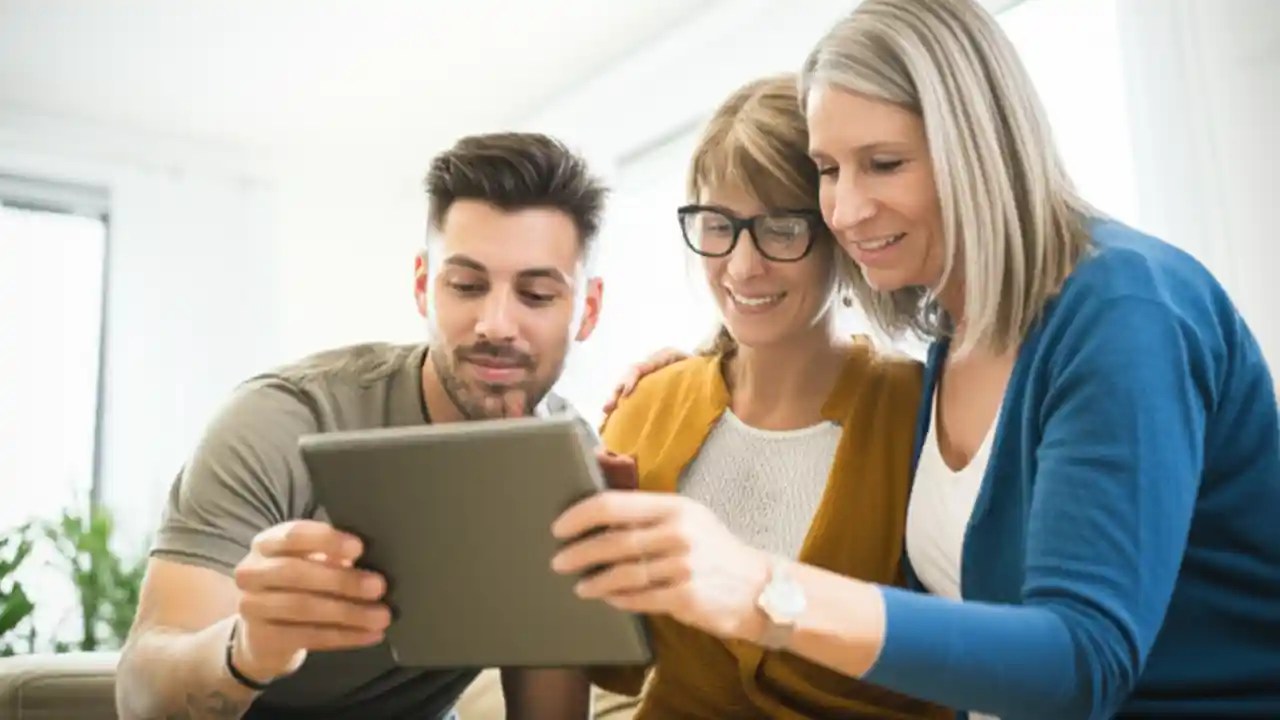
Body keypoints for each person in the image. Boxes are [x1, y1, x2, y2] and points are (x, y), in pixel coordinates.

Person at [552, 1, 1280, 719]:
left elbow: (1083, 661)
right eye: (828, 170)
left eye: (885, 164)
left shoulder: (1125, 310)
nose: (846, 209)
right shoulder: (951, 344)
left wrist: (761, 588)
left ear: (980, 145)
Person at [116, 132, 615, 720]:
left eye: (535, 293)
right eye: (466, 285)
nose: (496, 324)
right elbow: (139, 696)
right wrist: (248, 648)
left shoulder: (569, 458)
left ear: (586, 310)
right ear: (422, 286)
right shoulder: (282, 420)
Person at [578, 75, 943, 719]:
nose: (743, 267)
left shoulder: (918, 411)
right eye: (719, 225)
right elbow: (615, 667)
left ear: (839, 230)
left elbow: (947, 662)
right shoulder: (648, 405)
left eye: (780, 228)